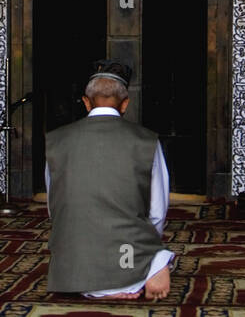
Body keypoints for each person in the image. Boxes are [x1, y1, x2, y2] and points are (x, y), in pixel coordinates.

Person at [45, 61, 174, 300]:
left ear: (86, 102)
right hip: (128, 252)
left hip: (73, 259)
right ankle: (150, 265)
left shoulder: (56, 141)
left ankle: (100, 282)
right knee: (150, 251)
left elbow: (55, 207)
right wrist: (149, 247)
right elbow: (157, 211)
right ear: (125, 104)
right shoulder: (146, 140)